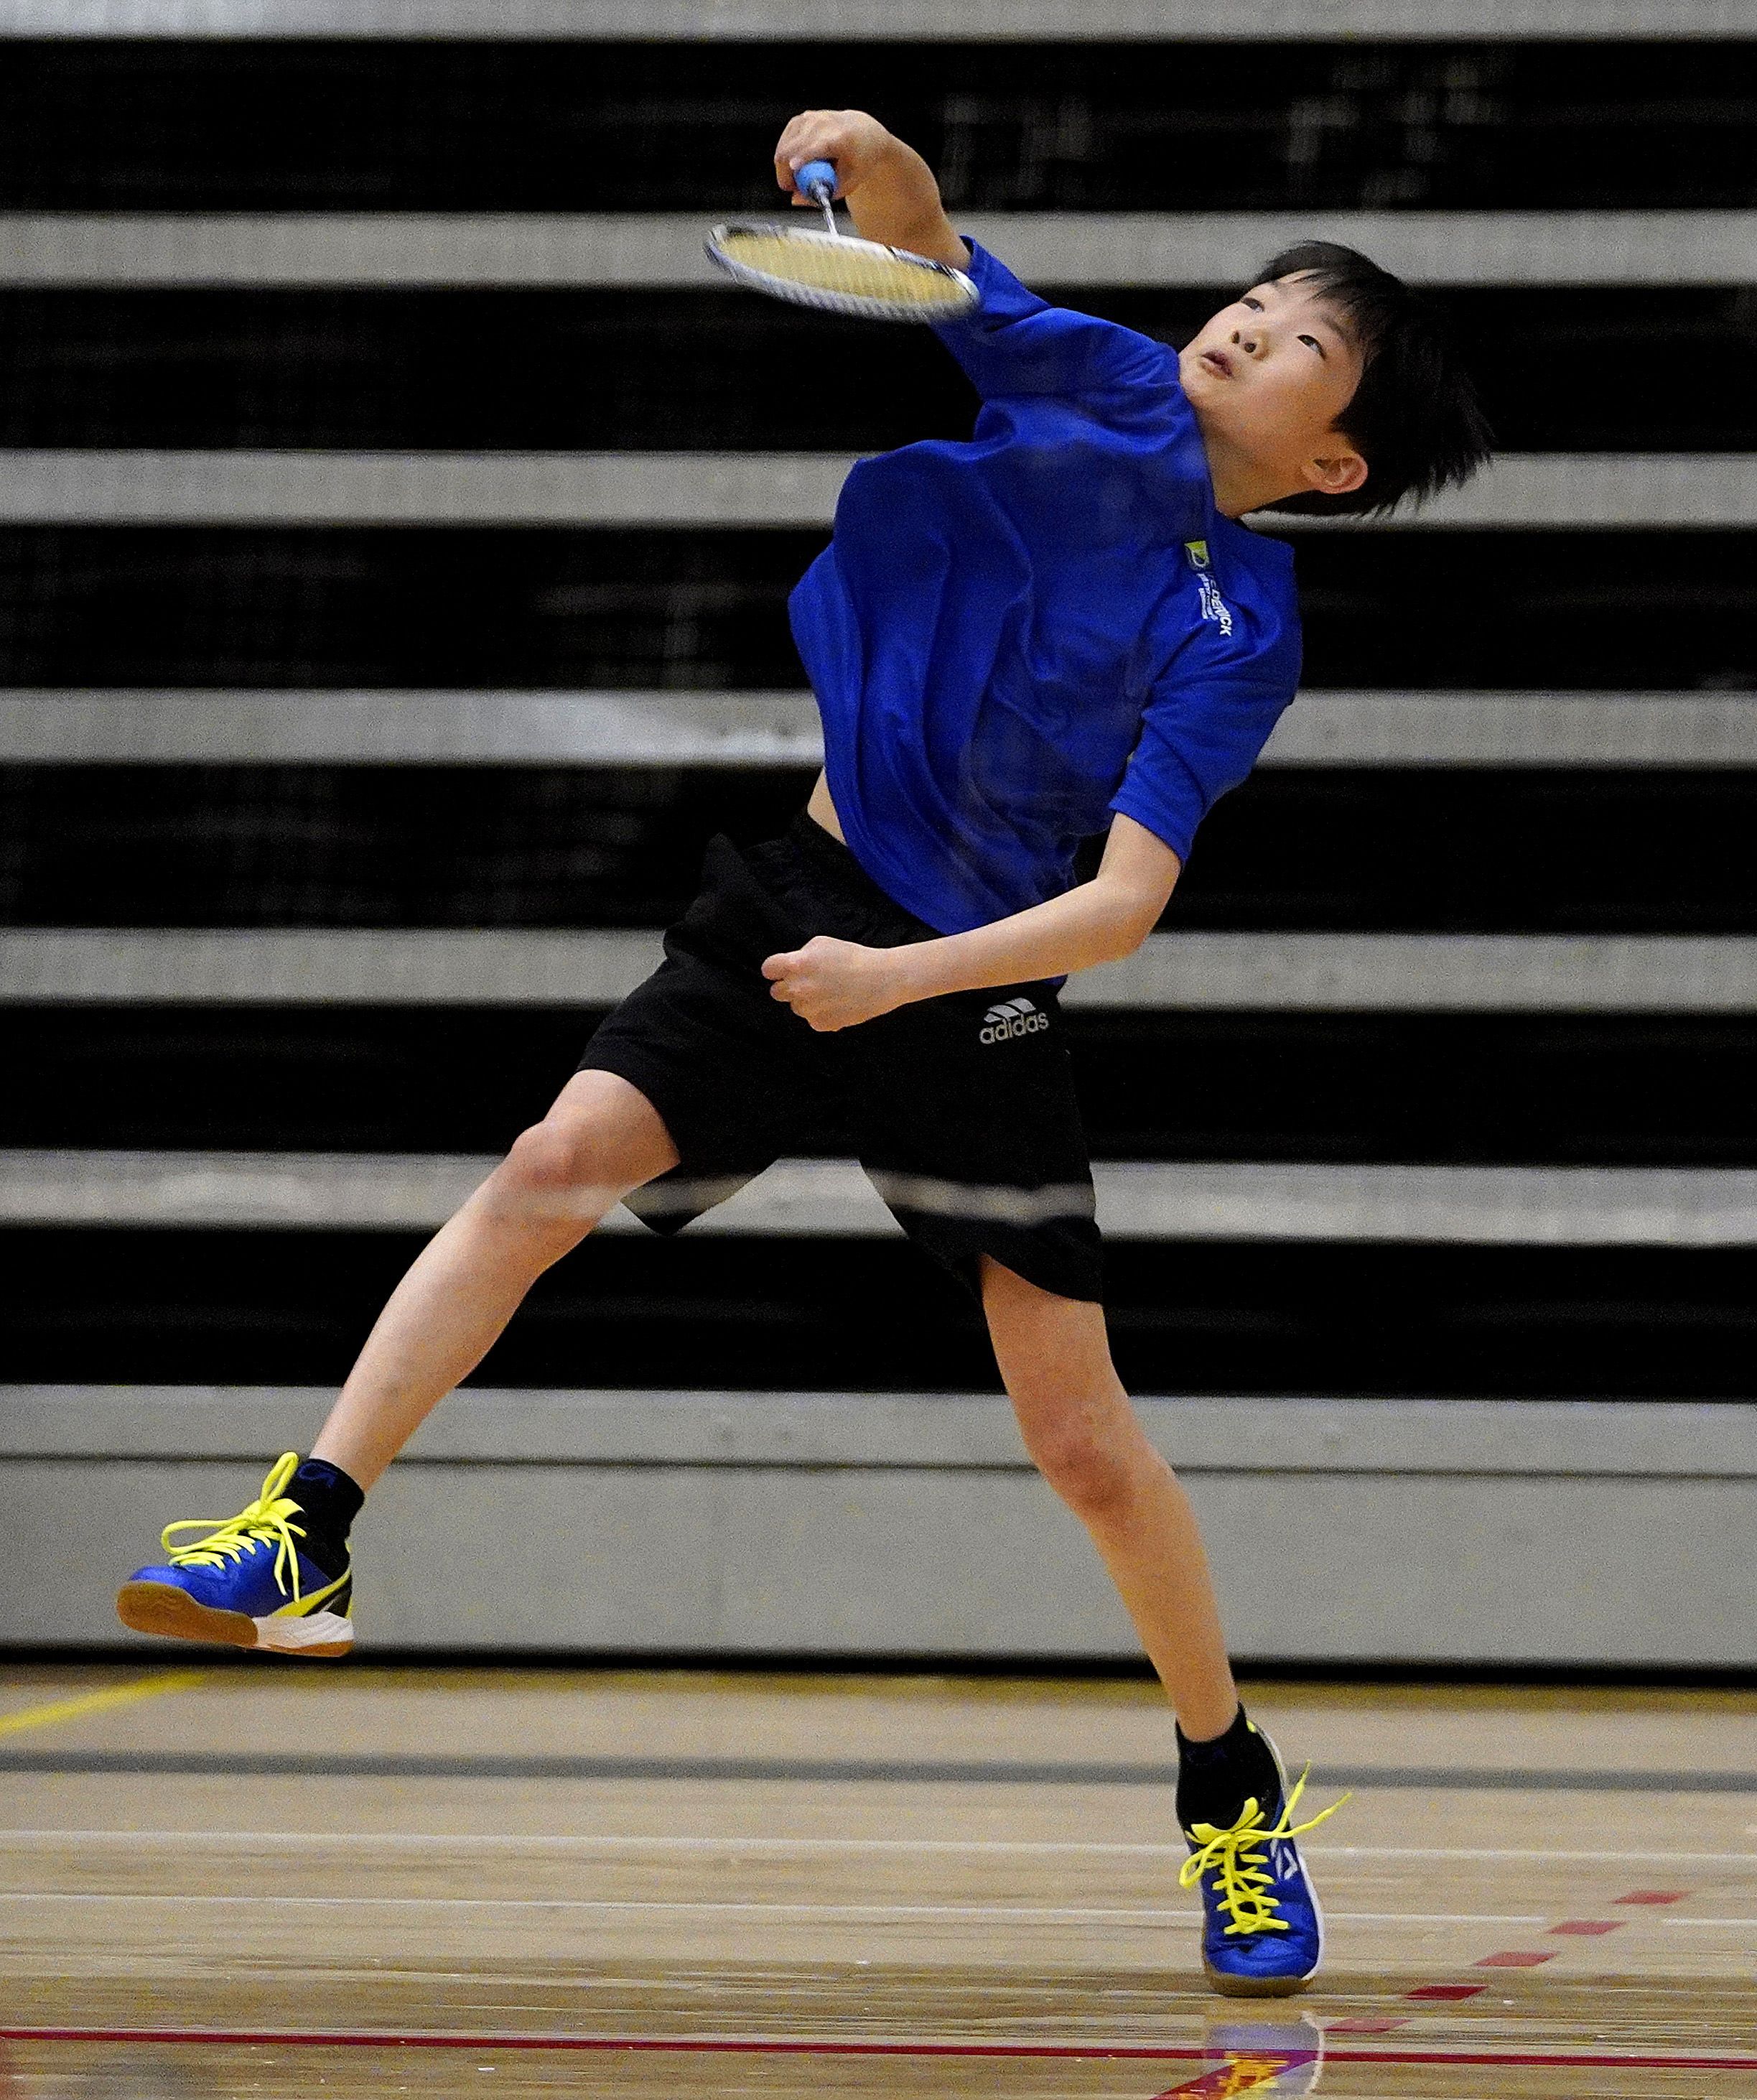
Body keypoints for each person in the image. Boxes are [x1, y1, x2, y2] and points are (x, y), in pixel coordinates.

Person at [116, 108, 1492, 1996]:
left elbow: (1121, 909)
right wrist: (877, 148)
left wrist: (904, 987)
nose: (1246, 326)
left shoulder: (1236, 625)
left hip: (969, 984)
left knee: (1082, 1442)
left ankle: (1228, 1785)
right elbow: (925, 255)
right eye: (1252, 298)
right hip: (800, 898)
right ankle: (310, 1526)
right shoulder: (1089, 371)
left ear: (1333, 460)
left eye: (1301, 338)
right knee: (547, 1166)